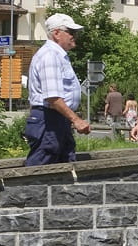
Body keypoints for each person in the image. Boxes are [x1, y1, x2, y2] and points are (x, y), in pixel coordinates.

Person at [24, 13, 90, 165]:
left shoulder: (58, 55)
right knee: (42, 166)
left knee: (63, 164)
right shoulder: (50, 56)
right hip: (49, 120)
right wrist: (76, 120)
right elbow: (52, 98)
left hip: (56, 119)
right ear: (56, 33)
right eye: (70, 32)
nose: (74, 36)